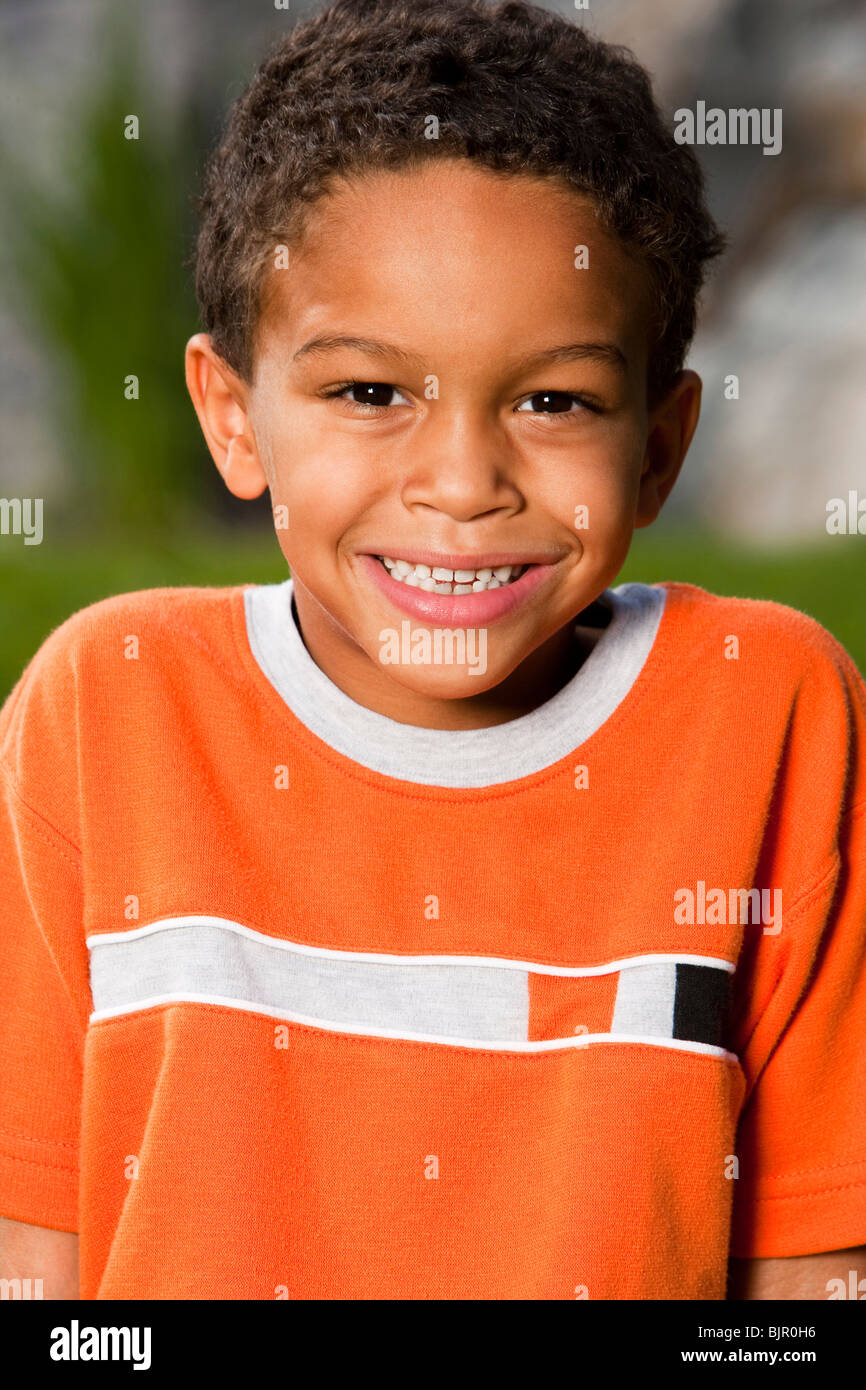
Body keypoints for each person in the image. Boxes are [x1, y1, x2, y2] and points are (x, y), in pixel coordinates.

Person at [1, 0, 864, 1300]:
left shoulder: (769, 712)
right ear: (232, 418)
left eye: (554, 400)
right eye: (368, 392)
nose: (461, 482)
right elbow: (32, 1260)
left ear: (657, 449)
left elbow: (808, 1285)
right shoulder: (105, 706)